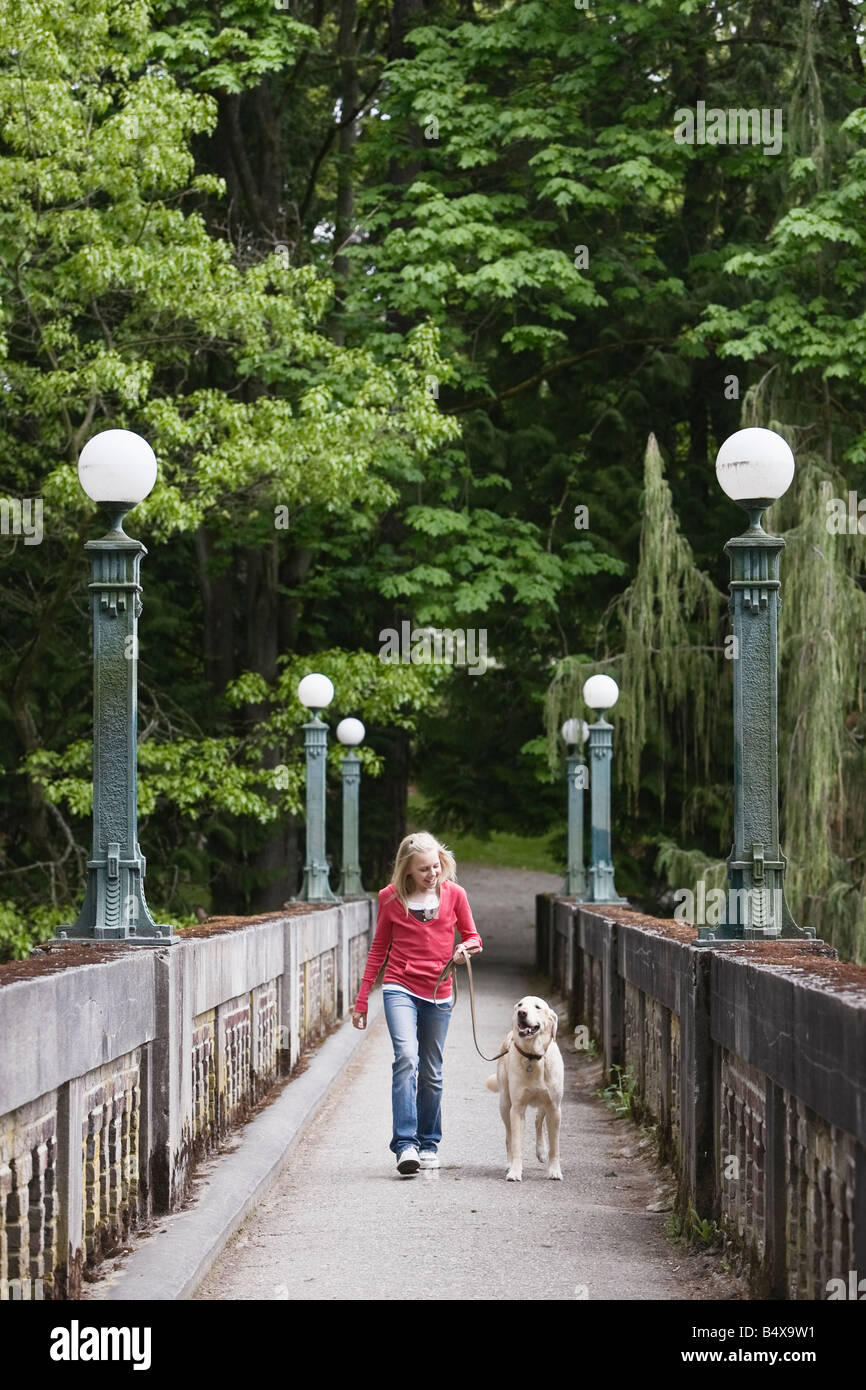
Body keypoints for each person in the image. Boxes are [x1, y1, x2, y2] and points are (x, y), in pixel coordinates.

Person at [352, 831, 483, 1176]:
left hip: (439, 991)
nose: (432, 874)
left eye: (436, 866)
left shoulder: (455, 895)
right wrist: (363, 998)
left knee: (432, 1072)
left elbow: (473, 937)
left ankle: (429, 1143)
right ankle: (405, 1144)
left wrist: (463, 950)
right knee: (406, 1058)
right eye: (424, 869)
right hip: (400, 986)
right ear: (407, 870)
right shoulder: (390, 898)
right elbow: (379, 948)